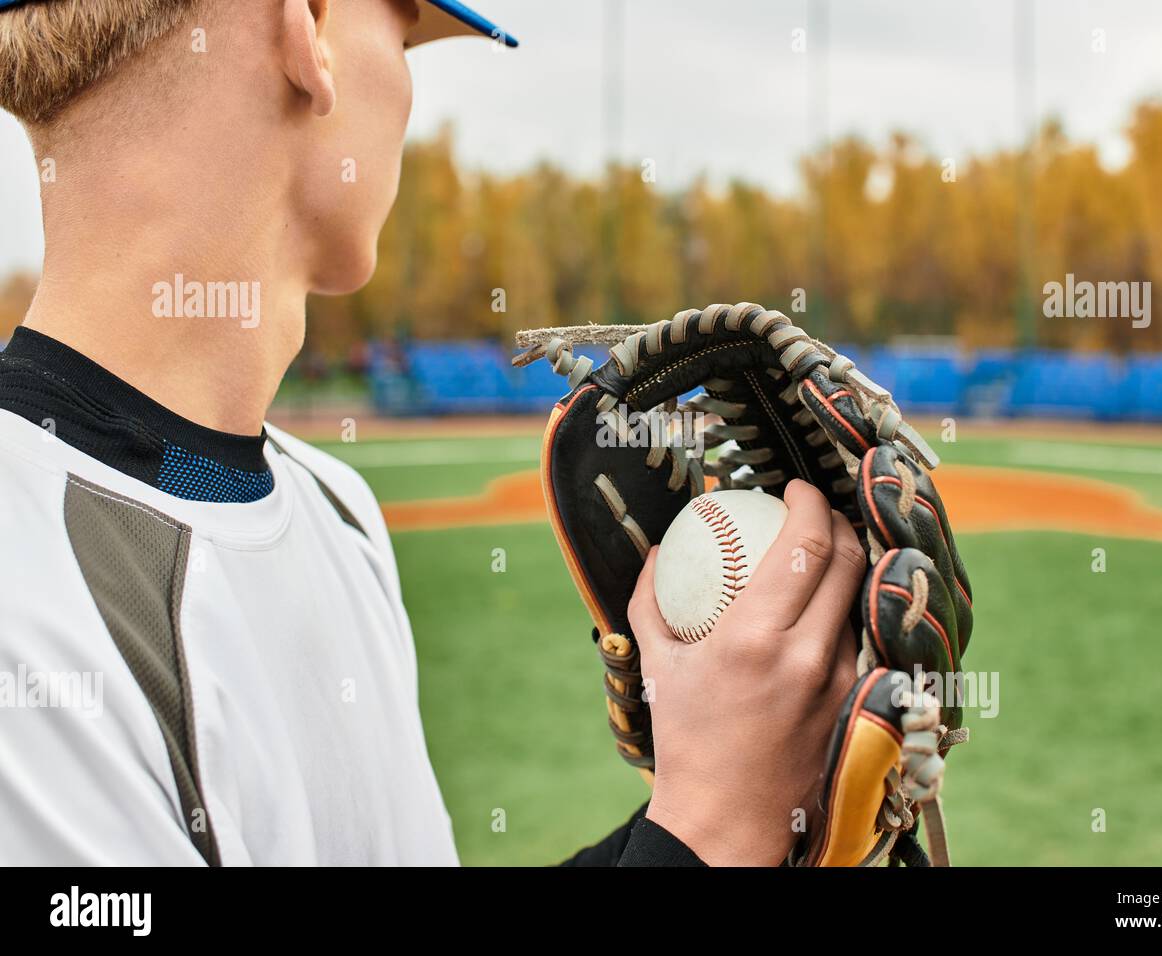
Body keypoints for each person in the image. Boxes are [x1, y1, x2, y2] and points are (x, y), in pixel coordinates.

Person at [0, 0, 861, 866]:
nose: (410, 89)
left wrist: (717, 793)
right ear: (306, 28)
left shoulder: (337, 507)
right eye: (405, 31)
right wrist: (709, 837)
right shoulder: (22, 628)